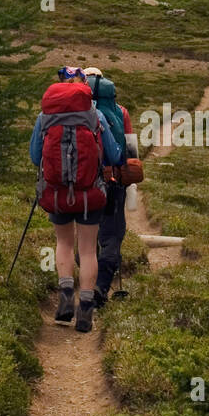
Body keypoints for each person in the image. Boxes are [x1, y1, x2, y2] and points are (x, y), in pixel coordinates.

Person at [29, 66, 120, 332]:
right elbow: (113, 156)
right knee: (89, 249)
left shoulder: (44, 117)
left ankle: (65, 298)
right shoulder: (96, 115)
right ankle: (86, 311)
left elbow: (36, 157)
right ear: (84, 88)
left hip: (56, 193)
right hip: (90, 193)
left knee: (64, 243)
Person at [83, 66, 136, 308]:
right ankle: (101, 287)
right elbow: (130, 149)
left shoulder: (77, 112)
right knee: (113, 235)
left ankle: (87, 283)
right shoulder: (120, 112)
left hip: (84, 182)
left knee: (86, 234)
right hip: (113, 181)